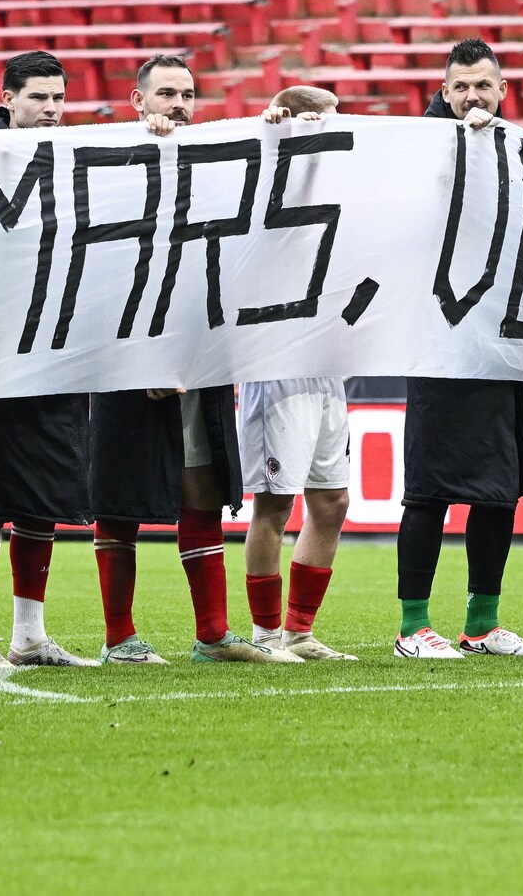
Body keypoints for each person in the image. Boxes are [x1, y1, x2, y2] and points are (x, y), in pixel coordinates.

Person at [88, 55, 292, 665]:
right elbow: (101, 268)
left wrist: (275, 128)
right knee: (120, 498)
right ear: (136, 100)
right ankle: (118, 638)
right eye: (166, 93)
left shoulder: (210, 162)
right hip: (126, 361)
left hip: (199, 358)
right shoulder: (113, 164)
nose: (178, 104)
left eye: (188, 94)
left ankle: (212, 635)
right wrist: (144, 353)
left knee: (201, 488)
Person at [397, 40, 523, 660]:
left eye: (482, 87)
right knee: (429, 490)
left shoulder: (515, 149)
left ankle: (482, 624)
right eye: (460, 87)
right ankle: (412, 628)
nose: (471, 98)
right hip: (439, 340)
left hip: (504, 342)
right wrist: (458, 146)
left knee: (499, 486)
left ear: (502, 89)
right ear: (444, 89)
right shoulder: (418, 146)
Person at [0, 50, 96, 669]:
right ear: (7, 99)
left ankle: (29, 634)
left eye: (59, 99)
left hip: (57, 348)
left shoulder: (72, 160)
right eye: (39, 98)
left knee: (46, 495)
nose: (51, 110)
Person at [239, 82, 359, 663]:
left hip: (328, 364)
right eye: (326, 121)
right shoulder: (270, 184)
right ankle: (265, 635)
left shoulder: (345, 189)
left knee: (331, 500)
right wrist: (273, 135)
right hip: (278, 363)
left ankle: (299, 631)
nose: (338, 128)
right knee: (274, 504)